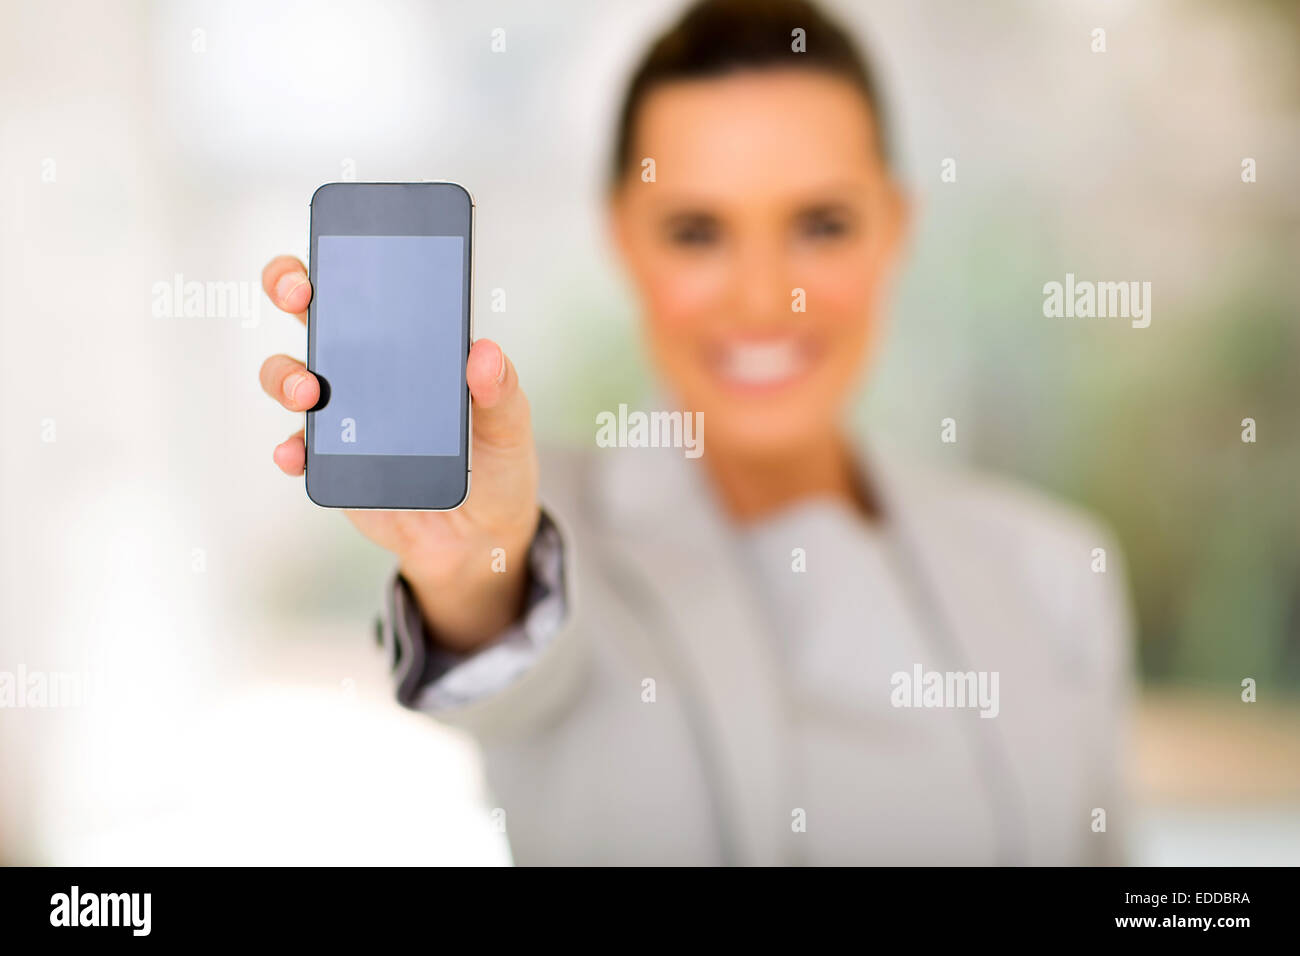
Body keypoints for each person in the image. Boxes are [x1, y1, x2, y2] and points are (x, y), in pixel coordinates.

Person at [257, 0, 1133, 865]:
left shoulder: (1053, 570)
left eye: (821, 225)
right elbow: (506, 660)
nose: (762, 296)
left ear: (894, 228)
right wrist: (468, 573)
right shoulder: (542, 540)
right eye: (696, 232)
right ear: (624, 239)